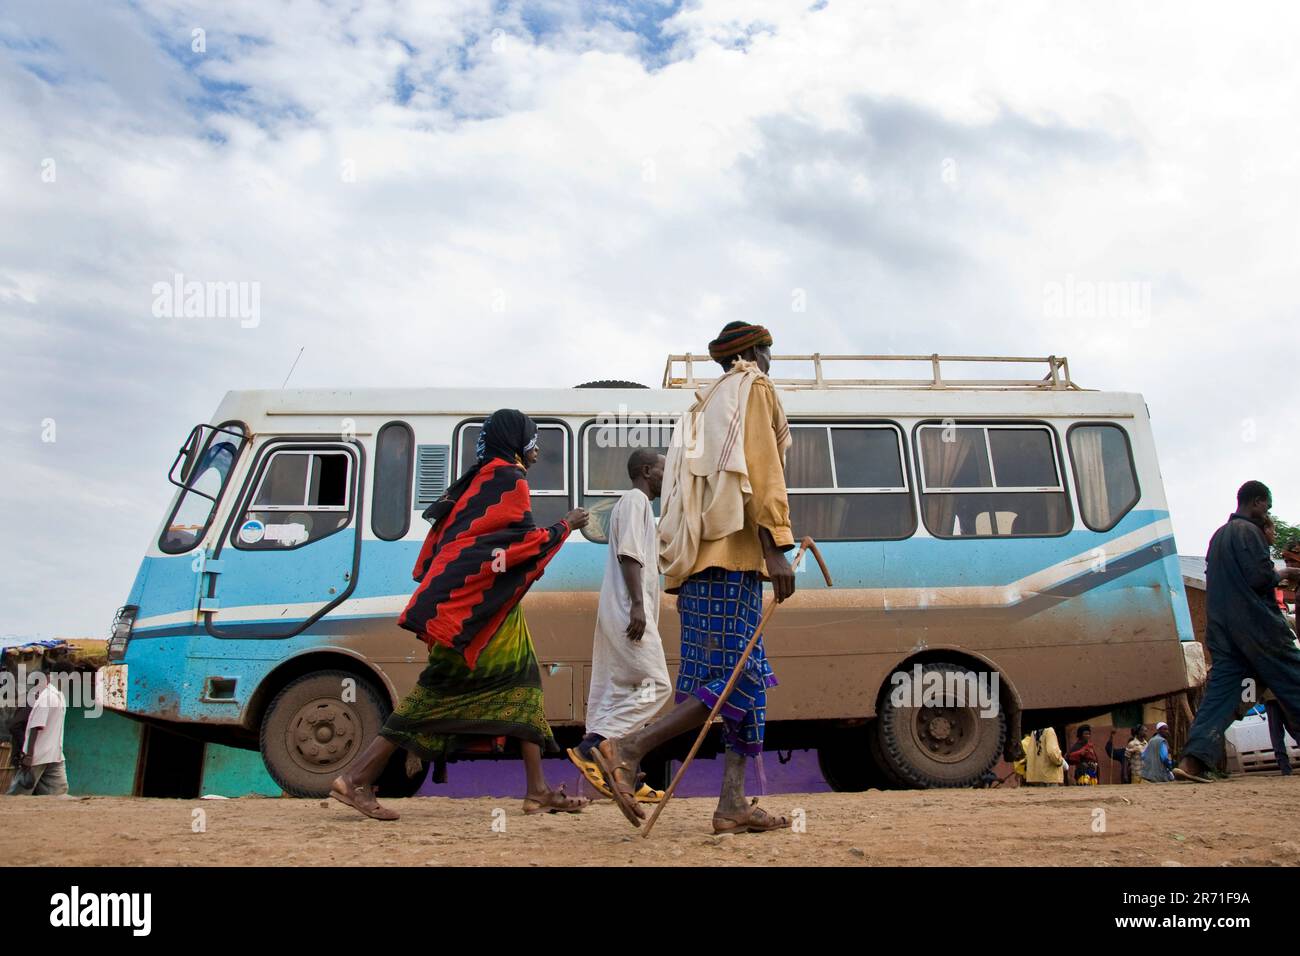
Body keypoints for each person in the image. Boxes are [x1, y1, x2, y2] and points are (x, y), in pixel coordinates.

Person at [330, 410, 592, 820]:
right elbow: (516, 549)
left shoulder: (484, 477)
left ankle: (537, 789)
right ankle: (356, 779)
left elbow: (478, 546)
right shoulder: (510, 479)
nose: (538, 451)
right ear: (516, 441)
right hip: (470, 613)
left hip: (489, 609)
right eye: (533, 441)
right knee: (433, 693)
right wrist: (565, 526)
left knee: (525, 685)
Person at [593, 321, 797, 834]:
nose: (771, 360)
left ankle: (731, 804)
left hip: (699, 571)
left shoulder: (701, 407)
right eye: (768, 351)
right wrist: (776, 546)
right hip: (734, 562)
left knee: (744, 684)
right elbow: (762, 468)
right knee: (731, 684)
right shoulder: (754, 388)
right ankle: (624, 748)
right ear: (753, 352)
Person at [1176, 481, 1300, 783]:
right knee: (1294, 679)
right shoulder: (1248, 533)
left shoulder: (1218, 537)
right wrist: (1284, 573)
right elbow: (1259, 578)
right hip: (1258, 628)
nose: (1266, 513)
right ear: (1256, 502)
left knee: (1221, 696)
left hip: (1223, 631)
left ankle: (1192, 762)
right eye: (1266, 507)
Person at [568, 449, 671, 803]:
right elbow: (629, 554)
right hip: (629, 613)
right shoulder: (635, 501)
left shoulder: (639, 507)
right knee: (656, 686)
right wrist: (639, 607)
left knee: (623, 692)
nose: (666, 474)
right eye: (662, 468)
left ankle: (621, 771)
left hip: (624, 612)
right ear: (646, 471)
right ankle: (593, 747)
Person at [7, 663, 69, 796]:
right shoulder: (46, 698)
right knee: (19, 795)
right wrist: (28, 755)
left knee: (59, 792)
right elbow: (35, 727)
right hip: (38, 755)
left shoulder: (60, 696)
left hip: (55, 755)